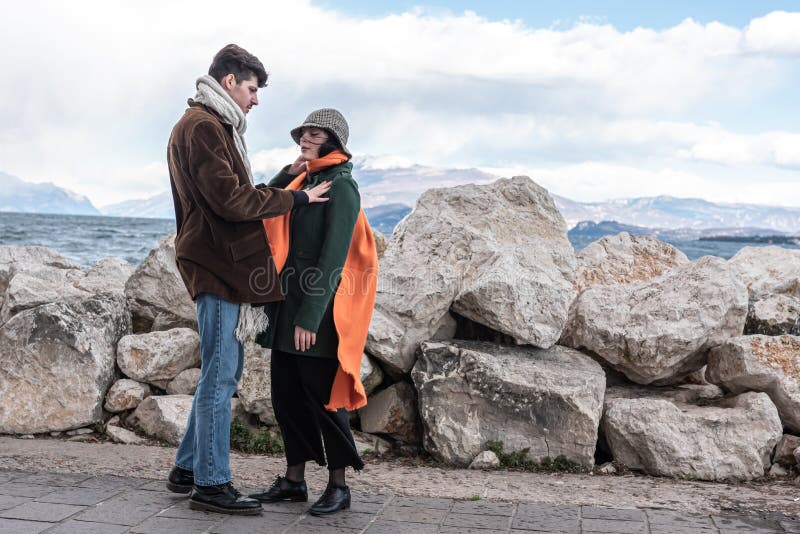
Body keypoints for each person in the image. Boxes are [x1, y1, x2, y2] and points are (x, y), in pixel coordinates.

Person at [164, 44, 332, 516]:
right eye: (252, 89)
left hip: (219, 263)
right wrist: (297, 200)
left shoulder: (210, 125)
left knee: (219, 373)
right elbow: (232, 202)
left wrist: (286, 176)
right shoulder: (203, 127)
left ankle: (186, 468)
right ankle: (212, 485)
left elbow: (232, 190)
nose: (255, 100)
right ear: (229, 81)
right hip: (218, 266)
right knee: (221, 379)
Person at [248, 109, 378, 516]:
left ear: (333, 141)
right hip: (285, 305)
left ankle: (339, 486)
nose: (305, 137)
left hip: (315, 313)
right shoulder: (305, 179)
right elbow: (262, 202)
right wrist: (290, 171)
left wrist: (310, 317)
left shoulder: (342, 186)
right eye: (304, 131)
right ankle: (293, 480)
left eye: (315, 133)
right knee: (286, 397)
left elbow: (334, 256)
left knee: (323, 399)